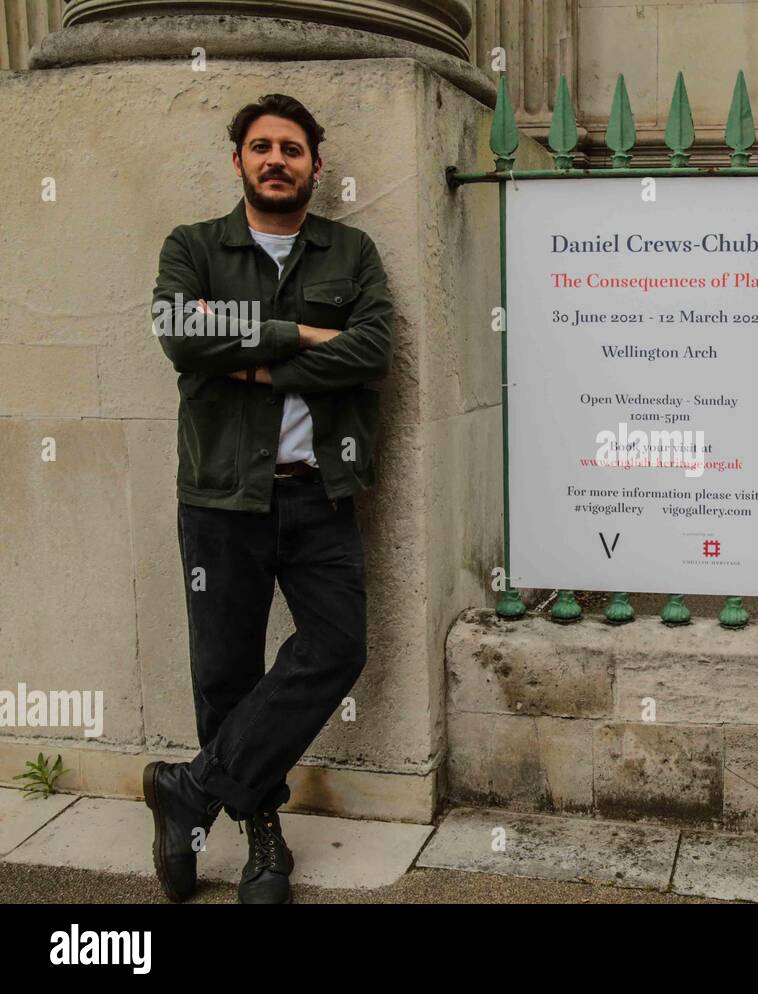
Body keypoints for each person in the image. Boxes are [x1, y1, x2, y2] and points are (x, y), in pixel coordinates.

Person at [144, 93, 394, 904]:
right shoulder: (193, 247)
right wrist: (303, 335)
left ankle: (191, 792)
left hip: (320, 494)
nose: (276, 159)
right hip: (221, 499)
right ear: (239, 161)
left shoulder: (350, 252)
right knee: (225, 672)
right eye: (261, 146)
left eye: (292, 147)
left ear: (317, 166)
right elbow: (182, 334)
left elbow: (373, 351)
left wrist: (247, 353)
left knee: (337, 646)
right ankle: (261, 835)